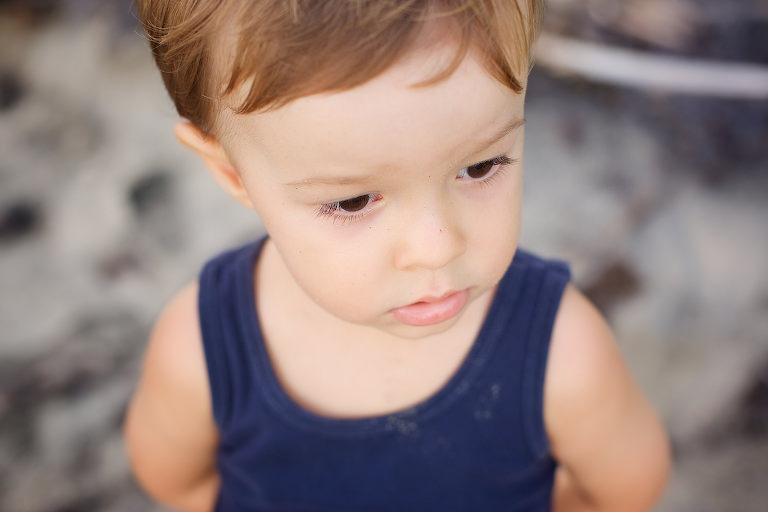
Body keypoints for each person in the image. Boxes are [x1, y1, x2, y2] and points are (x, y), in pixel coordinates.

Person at [124, 1, 671, 511]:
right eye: (354, 200)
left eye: (480, 167)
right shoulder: (201, 350)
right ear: (230, 174)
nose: (437, 247)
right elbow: (182, 485)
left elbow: (621, 492)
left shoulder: (563, 356)